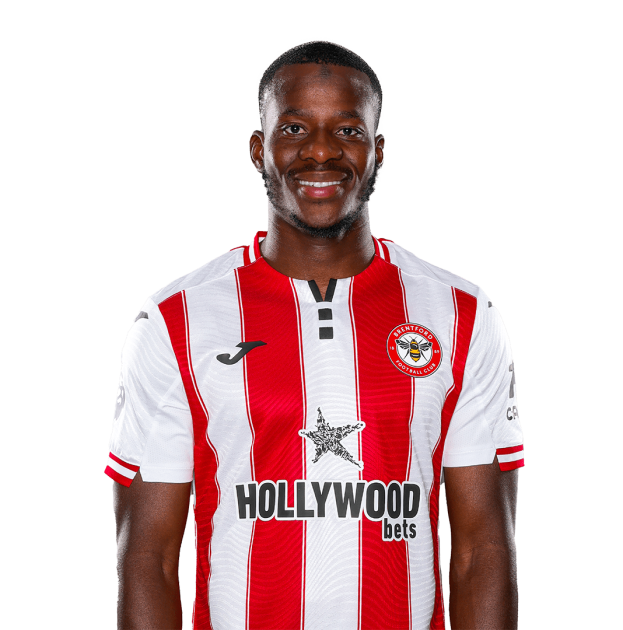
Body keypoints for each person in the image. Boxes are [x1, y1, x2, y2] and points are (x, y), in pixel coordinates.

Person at [107, 38, 523, 630]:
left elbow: (484, 551)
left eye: (348, 130)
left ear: (378, 151)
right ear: (259, 148)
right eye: (295, 128)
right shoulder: (175, 319)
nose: (321, 151)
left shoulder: (462, 314)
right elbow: (145, 560)